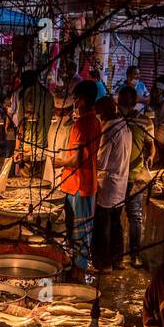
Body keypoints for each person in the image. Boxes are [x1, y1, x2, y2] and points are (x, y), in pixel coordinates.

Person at [56, 80, 102, 276]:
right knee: (83, 229)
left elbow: (77, 158)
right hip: (88, 182)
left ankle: (78, 270)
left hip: (77, 184)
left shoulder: (82, 124)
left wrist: (59, 161)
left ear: (82, 100)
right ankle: (77, 267)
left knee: (78, 229)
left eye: (76, 99)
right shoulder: (96, 121)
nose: (74, 103)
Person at [92, 95, 132, 272]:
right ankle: (118, 260)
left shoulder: (109, 130)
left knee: (104, 226)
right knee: (116, 223)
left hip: (108, 184)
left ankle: (104, 263)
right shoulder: (125, 126)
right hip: (121, 182)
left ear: (103, 113)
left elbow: (101, 162)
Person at [118, 85, 154, 269]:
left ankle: (134, 255)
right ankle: (117, 256)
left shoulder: (144, 121)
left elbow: (150, 145)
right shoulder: (114, 120)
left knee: (134, 216)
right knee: (116, 216)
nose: (121, 104)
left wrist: (149, 157)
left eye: (123, 101)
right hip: (116, 176)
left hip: (134, 175)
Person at [10, 69, 54, 163]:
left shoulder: (26, 97)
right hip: (44, 147)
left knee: (26, 176)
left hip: (28, 148)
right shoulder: (48, 96)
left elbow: (21, 127)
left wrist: (16, 150)